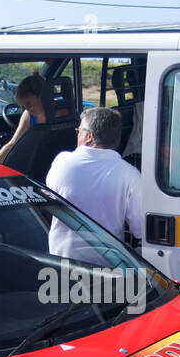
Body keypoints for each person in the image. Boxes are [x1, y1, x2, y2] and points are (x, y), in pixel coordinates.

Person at [45, 107, 144, 261]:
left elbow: (50, 199)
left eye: (78, 131)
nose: (77, 134)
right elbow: (140, 230)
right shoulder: (131, 175)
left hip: (63, 262)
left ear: (89, 136)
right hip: (108, 265)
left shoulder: (61, 162)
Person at [0, 74, 46, 165]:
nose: (28, 108)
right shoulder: (28, 116)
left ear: (42, 95)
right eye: (24, 105)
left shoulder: (64, 112)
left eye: (29, 103)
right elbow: (12, 144)